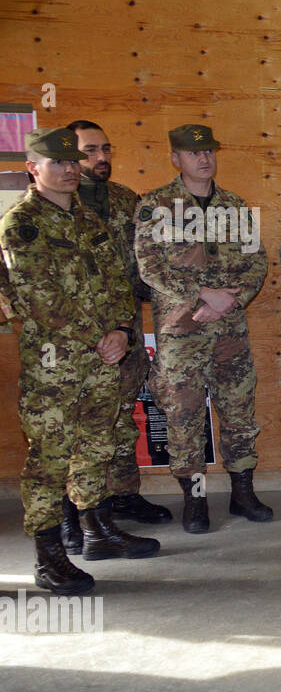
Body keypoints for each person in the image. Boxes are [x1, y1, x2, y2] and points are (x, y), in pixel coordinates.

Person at [0, 128, 159, 595]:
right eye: (57, 163)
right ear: (33, 168)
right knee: (50, 461)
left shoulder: (90, 219)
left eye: (73, 162)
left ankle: (97, 531)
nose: (69, 170)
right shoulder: (21, 225)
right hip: (57, 368)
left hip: (104, 360)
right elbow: (40, 302)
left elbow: (117, 284)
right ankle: (48, 557)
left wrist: (124, 333)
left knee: (96, 448)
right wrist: (103, 337)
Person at [134, 124, 271, 533]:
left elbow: (257, 262)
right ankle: (195, 501)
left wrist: (233, 298)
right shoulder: (155, 206)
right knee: (184, 417)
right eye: (193, 153)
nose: (204, 158)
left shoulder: (235, 206)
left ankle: (242, 493)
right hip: (181, 335)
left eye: (209, 150)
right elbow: (150, 269)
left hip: (230, 332)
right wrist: (203, 295)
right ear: (176, 158)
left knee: (239, 413)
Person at [67, 120, 172, 542]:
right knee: (80, 425)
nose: (101, 157)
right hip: (78, 339)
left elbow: (147, 264)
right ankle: (78, 513)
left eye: (106, 148)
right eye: (90, 150)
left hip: (126, 329)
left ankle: (124, 496)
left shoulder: (127, 200)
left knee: (123, 417)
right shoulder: (58, 204)